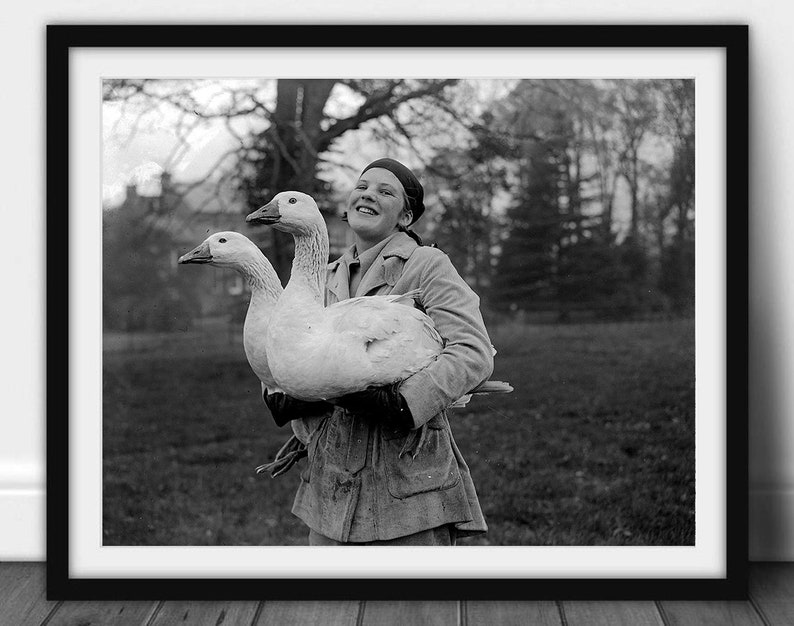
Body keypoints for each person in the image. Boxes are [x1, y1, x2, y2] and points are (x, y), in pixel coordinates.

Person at [264, 158, 494, 546]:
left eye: (385, 192)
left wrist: (404, 403)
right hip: (330, 489)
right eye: (363, 186)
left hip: (406, 491)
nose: (369, 194)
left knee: (407, 605)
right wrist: (278, 393)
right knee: (331, 606)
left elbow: (473, 352)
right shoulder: (320, 276)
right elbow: (284, 343)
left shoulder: (427, 265)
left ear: (406, 217)